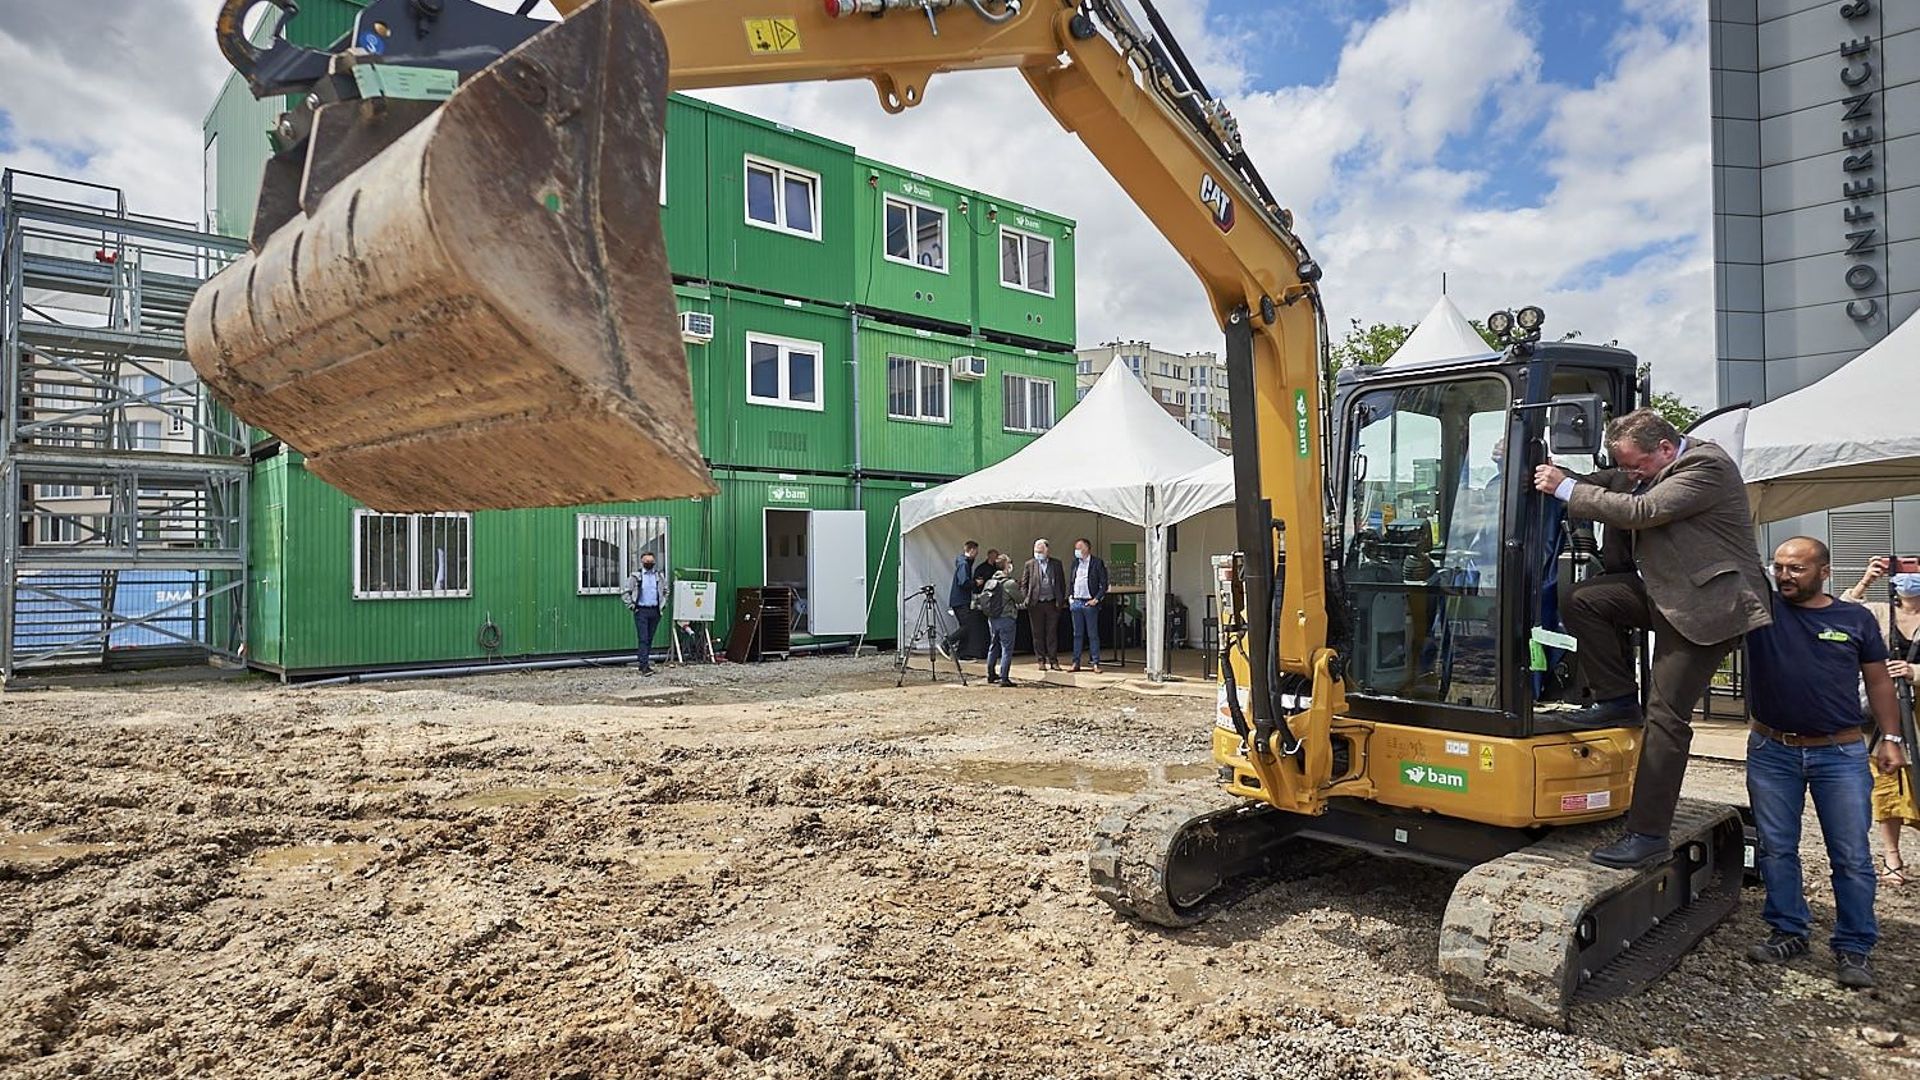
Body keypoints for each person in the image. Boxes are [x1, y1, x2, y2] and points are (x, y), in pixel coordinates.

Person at [1533, 408, 1772, 869]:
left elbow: (1643, 511)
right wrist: (1540, 470)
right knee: (1585, 599)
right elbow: (1599, 482)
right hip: (1663, 593)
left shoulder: (1706, 466)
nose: (1630, 474)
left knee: (1666, 719)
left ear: (1665, 448)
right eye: (1624, 466)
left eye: (1636, 465)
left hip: (1706, 608)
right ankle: (1618, 699)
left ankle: (1647, 835)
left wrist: (1564, 488)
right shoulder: (1645, 469)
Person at [1741, 537, 1907, 989]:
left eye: (1796, 568)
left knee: (1851, 855)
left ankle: (1854, 947)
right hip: (1771, 750)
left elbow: (1878, 682)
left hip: (1840, 753)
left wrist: (1891, 739)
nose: (1784, 576)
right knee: (1777, 848)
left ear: (1824, 572)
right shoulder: (1761, 612)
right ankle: (1788, 932)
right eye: (1779, 567)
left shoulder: (1854, 619)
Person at [1838, 557, 1920, 887]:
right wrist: (1866, 581)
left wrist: (1914, 672)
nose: (1910, 579)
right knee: (1887, 783)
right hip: (1886, 712)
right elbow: (1840, 612)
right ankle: (1892, 856)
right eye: (1904, 572)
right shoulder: (1879, 612)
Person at [976, 552, 1024, 687]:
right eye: (1009, 563)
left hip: (992, 618)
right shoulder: (1009, 583)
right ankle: (1004, 678)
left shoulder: (990, 582)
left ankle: (991, 674)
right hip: (1006, 617)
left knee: (993, 646)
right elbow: (1020, 599)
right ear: (1006, 566)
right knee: (1007, 649)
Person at [1020, 539, 1067, 672]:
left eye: (1040, 551)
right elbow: (1024, 583)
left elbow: (1061, 583)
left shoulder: (1056, 564)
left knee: (1052, 633)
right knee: (1037, 633)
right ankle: (1041, 660)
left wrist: (1060, 599)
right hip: (1036, 604)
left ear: (1047, 551)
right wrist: (1027, 598)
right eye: (1036, 551)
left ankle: (1053, 660)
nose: (1038, 554)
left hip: (1052, 603)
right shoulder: (1030, 564)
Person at [621, 551, 666, 676]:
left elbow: (665, 590)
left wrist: (663, 604)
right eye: (646, 561)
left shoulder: (659, 577)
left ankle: (644, 663)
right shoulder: (636, 577)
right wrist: (632, 606)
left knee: (650, 638)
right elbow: (625, 592)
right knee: (643, 638)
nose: (649, 563)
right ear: (642, 562)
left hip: (655, 610)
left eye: (651, 561)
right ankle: (644, 665)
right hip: (641, 610)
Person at [1068, 538, 1109, 673]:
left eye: (1079, 548)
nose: (1076, 551)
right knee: (1077, 634)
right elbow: (1072, 581)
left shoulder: (1097, 563)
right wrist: (1071, 597)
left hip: (1089, 602)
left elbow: (1104, 584)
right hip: (1077, 601)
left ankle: (1095, 662)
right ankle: (1076, 662)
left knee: (1093, 634)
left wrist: (1096, 599)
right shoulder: (1075, 563)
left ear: (1086, 549)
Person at [944, 540, 979, 657]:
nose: (977, 554)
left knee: (965, 626)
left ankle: (962, 653)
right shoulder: (963, 564)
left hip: (959, 600)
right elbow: (963, 582)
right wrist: (975, 583)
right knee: (967, 626)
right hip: (961, 600)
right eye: (976, 552)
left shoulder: (964, 563)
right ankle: (947, 643)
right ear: (972, 550)